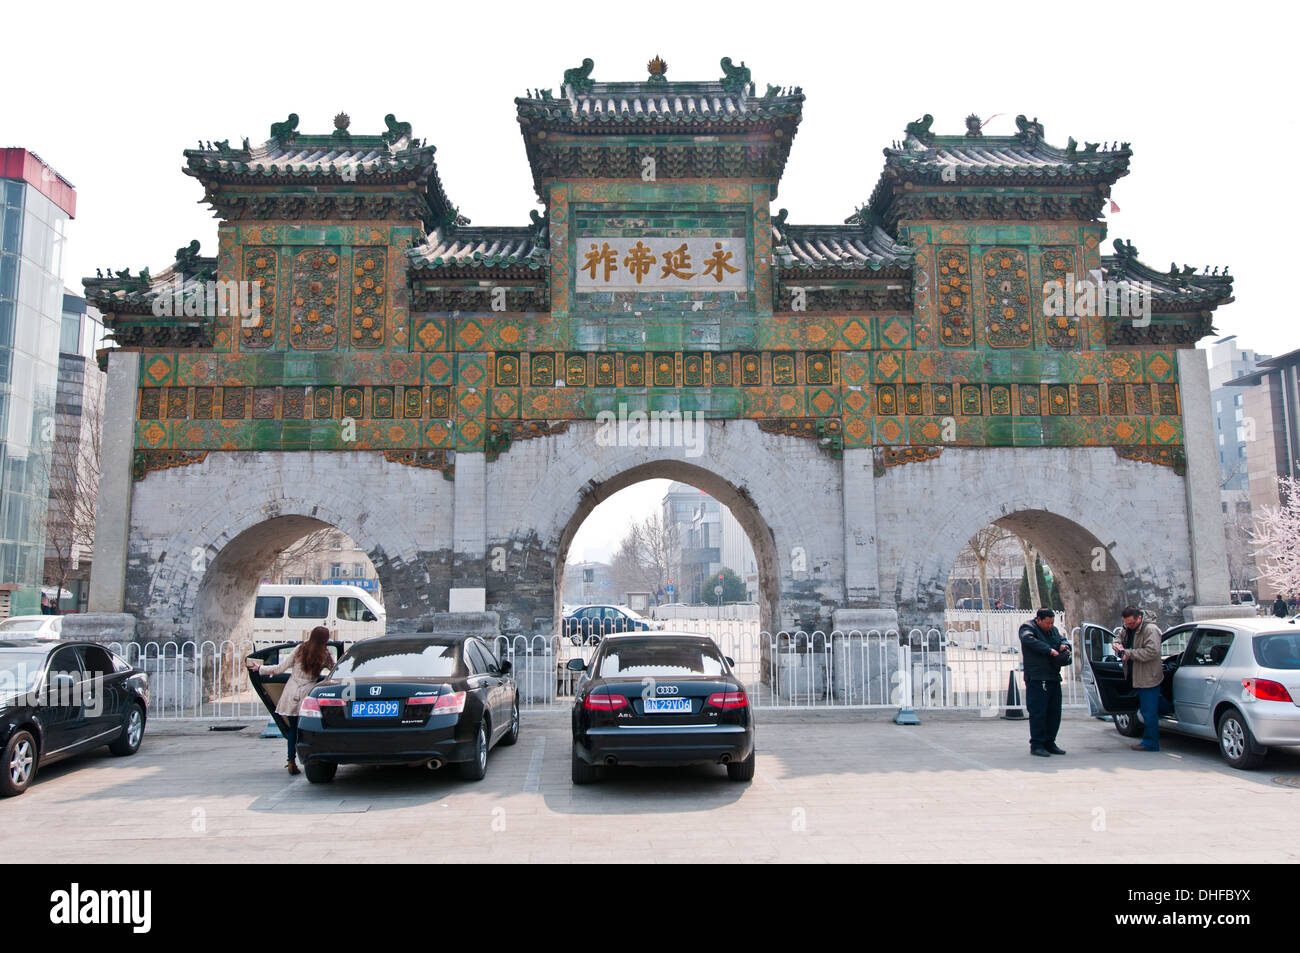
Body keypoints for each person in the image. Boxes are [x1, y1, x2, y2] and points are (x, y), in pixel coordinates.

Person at [246, 626, 334, 775]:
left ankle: (291, 761)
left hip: (292, 691)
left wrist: (260, 669)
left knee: (292, 729)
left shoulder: (300, 648)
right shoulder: (325, 655)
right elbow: (334, 672)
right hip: (308, 693)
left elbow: (280, 668)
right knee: (307, 729)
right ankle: (309, 759)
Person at [1018, 608, 1072, 757]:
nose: (1050, 625)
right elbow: (1028, 639)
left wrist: (1064, 646)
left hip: (1053, 676)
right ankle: (1037, 744)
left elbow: (1062, 639)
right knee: (1038, 712)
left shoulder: (1053, 630)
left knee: (1054, 712)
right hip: (1037, 677)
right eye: (1047, 622)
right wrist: (1049, 650)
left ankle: (1050, 742)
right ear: (1039, 619)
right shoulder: (1028, 628)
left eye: (1052, 622)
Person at [1113, 606, 1163, 752]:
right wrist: (1117, 644)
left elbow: (1152, 652)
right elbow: (1119, 636)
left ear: (1139, 618)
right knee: (1151, 705)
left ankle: (1150, 742)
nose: (1128, 626)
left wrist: (1128, 653)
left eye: (1131, 624)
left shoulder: (1150, 629)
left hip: (1148, 675)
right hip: (1135, 675)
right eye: (1126, 623)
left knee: (1149, 711)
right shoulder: (1128, 627)